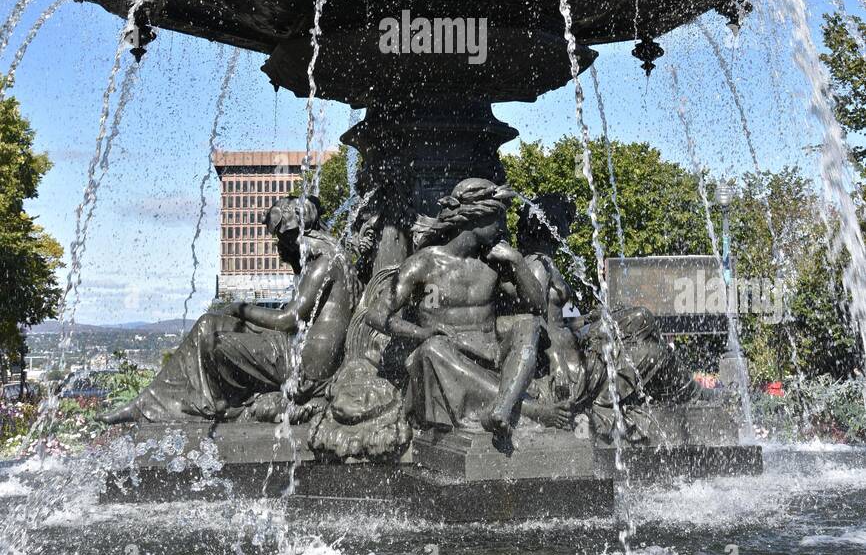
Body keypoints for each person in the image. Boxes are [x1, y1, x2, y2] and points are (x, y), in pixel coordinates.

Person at [102, 196, 358, 425]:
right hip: (294, 346)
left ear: (299, 234)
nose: (282, 247)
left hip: (304, 366)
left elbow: (287, 319)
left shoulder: (326, 262)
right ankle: (147, 404)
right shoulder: (324, 259)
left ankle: (217, 407)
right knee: (208, 324)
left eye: (284, 239)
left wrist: (240, 309)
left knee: (216, 344)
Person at [366, 178, 568, 443]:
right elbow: (376, 315)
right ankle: (529, 410)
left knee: (527, 323)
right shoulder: (423, 264)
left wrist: (518, 262)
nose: (504, 228)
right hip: (443, 353)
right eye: (499, 220)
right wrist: (423, 332)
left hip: (488, 352)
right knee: (432, 350)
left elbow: (535, 307)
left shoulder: (493, 262)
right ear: (477, 218)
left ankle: (502, 409)